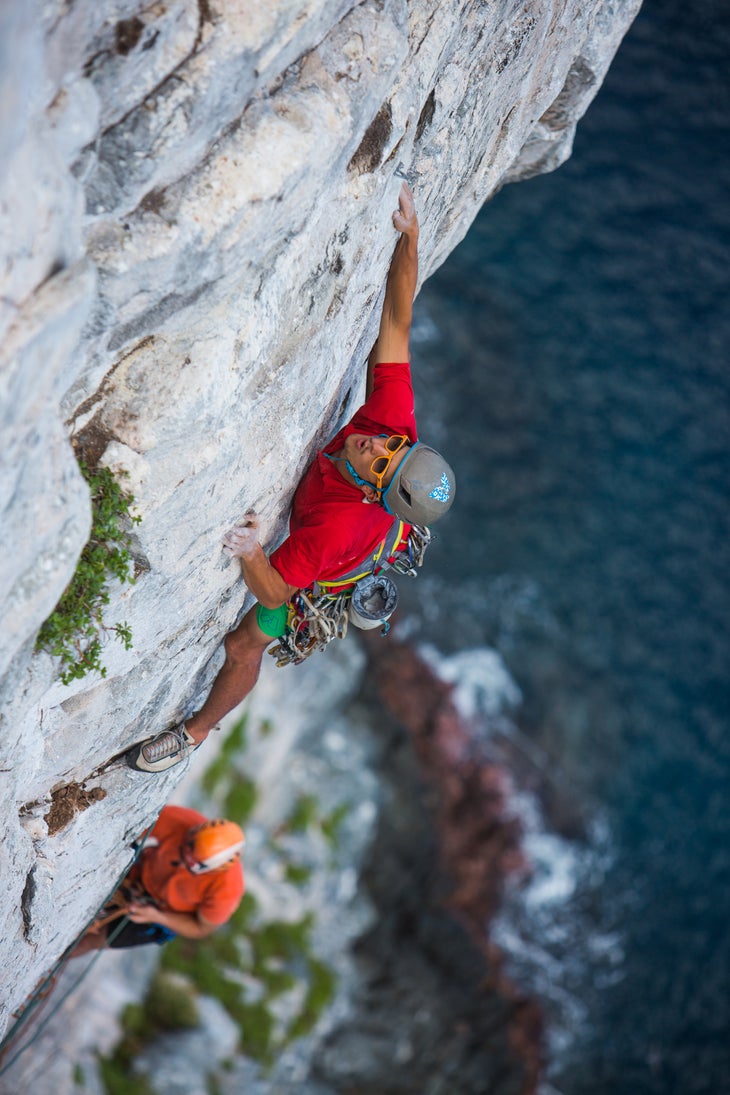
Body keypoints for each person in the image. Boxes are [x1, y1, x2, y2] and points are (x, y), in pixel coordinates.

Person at [126, 183, 455, 774]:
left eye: (380, 460)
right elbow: (398, 320)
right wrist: (410, 238)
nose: (372, 443)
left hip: (329, 574)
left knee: (243, 644)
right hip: (365, 540)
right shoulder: (393, 421)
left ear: (376, 489)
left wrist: (252, 550)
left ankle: (193, 735)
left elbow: (276, 590)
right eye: (391, 447)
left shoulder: (332, 530)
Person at [72, 806, 245, 955]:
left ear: (211, 869)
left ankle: (53, 973)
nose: (183, 864)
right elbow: (124, 837)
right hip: (137, 876)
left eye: (190, 866)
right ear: (192, 833)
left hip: (165, 914)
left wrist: (159, 917)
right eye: (183, 852)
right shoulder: (173, 819)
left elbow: (201, 928)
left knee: (88, 942)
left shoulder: (227, 889)